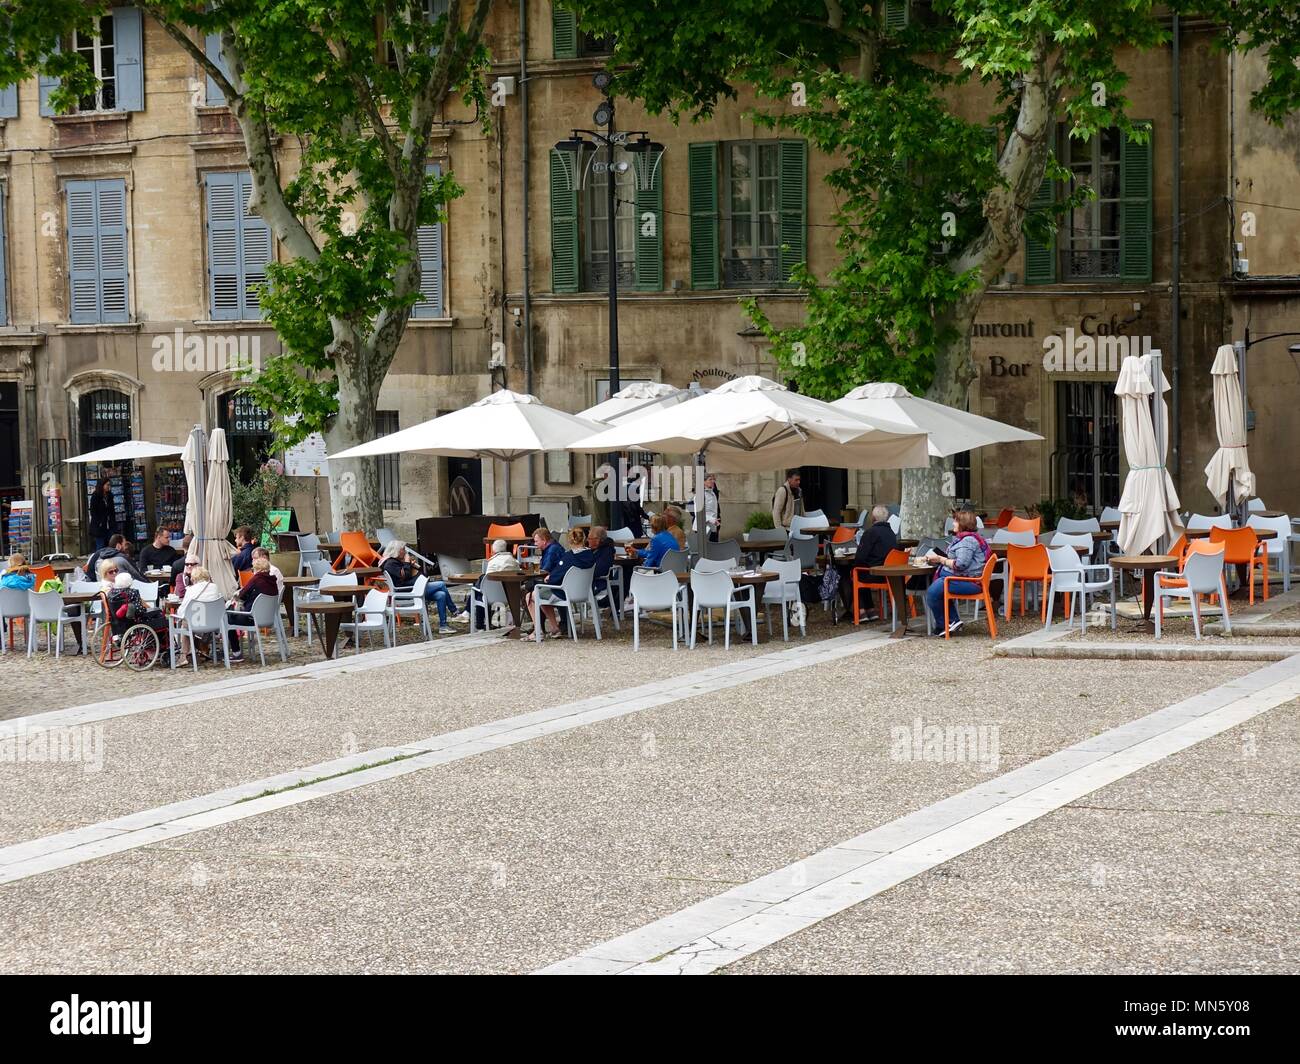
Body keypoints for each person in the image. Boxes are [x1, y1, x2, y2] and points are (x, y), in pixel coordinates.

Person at [923, 508, 991, 636]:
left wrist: (940, 559)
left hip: (971, 582)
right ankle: (952, 621)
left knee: (932, 593)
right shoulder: (969, 538)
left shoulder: (967, 541)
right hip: (968, 579)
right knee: (938, 590)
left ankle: (944, 625)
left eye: (955, 521)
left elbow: (961, 564)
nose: (953, 524)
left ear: (962, 524)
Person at [378, 540, 461, 634]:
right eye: (403, 549)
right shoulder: (390, 563)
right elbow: (405, 575)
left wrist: (412, 565)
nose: (405, 552)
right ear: (396, 550)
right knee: (441, 584)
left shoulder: (397, 562)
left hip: (413, 589)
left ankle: (443, 626)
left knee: (441, 595)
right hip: (405, 592)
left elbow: (423, 575)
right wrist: (406, 563)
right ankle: (455, 612)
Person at [525, 527, 594, 639]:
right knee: (541, 592)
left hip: (565, 593)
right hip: (584, 591)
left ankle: (538, 631)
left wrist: (549, 578)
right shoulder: (591, 555)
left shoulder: (569, 557)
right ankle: (555, 628)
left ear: (569, 540)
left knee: (532, 594)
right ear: (584, 539)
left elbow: (556, 576)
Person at [836, 505, 897, 622]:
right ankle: (870, 609)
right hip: (889, 574)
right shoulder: (892, 534)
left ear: (873, 518)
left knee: (849, 572)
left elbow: (860, 557)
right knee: (860, 571)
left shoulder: (870, 533)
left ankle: (860, 610)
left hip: (875, 574)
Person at [224, 555, 279, 661]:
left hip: (252, 618)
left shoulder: (256, 579)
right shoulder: (273, 581)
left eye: (253, 569)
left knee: (227, 618)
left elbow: (242, 594)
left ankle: (236, 653)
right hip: (269, 618)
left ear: (258, 569)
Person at [175, 565, 225, 661]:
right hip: (213, 624)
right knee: (193, 622)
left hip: (195, 624)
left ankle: (183, 655)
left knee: (185, 623)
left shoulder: (190, 590)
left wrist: (178, 614)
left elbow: (183, 610)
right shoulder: (215, 587)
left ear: (193, 578)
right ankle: (202, 649)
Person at [105, 570, 169, 642]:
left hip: (116, 621)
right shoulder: (133, 592)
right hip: (132, 621)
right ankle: (160, 643)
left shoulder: (111, 593)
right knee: (159, 614)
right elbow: (140, 610)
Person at [688, 473, 722, 542]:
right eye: (710, 479)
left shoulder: (713, 493)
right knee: (705, 549)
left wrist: (717, 518)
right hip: (703, 526)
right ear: (703, 482)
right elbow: (693, 509)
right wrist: (695, 516)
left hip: (713, 525)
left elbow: (715, 508)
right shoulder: (698, 494)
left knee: (713, 546)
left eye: (713, 479)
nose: (713, 481)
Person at [89, 478, 115, 550]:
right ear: (102, 485)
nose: (108, 487)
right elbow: (93, 511)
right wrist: (99, 522)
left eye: (109, 485)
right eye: (107, 485)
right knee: (100, 545)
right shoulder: (95, 496)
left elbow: (112, 510)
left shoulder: (109, 496)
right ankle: (100, 560)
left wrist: (113, 521)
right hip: (99, 525)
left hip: (109, 524)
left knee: (111, 544)